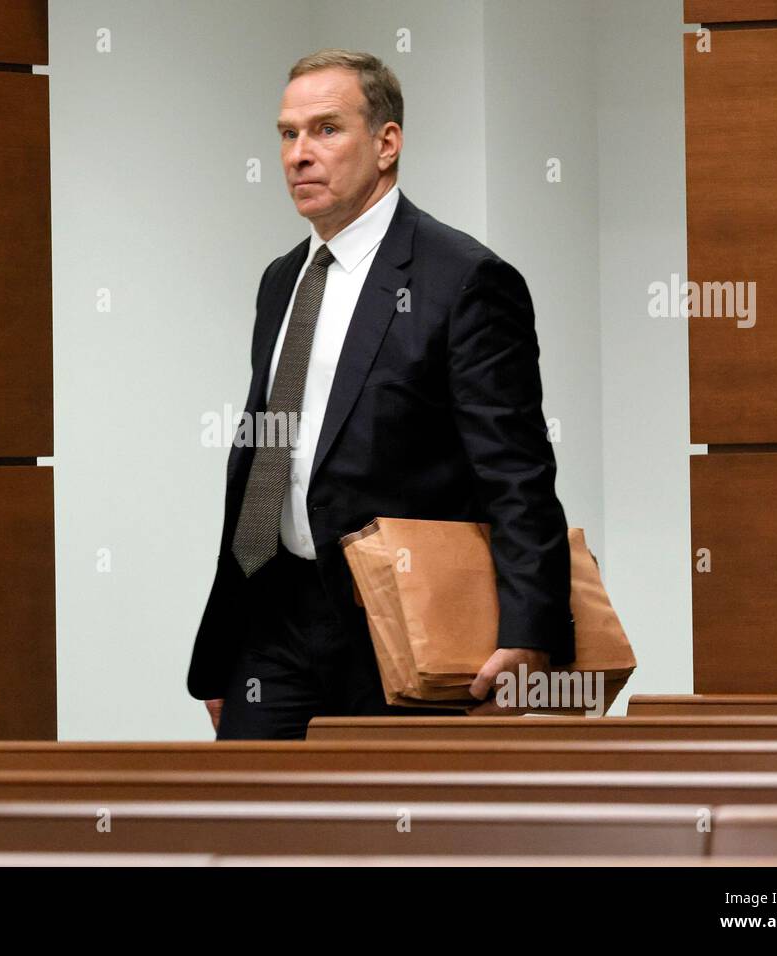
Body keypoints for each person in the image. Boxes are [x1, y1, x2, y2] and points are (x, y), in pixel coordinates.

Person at [188, 49, 574, 739]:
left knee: (388, 838)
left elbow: (517, 474)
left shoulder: (464, 280)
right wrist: (227, 652)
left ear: (387, 143)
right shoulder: (283, 280)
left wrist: (529, 634)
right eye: (287, 134)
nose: (299, 154)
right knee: (252, 831)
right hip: (274, 622)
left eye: (326, 130)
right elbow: (267, 456)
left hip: (402, 623)